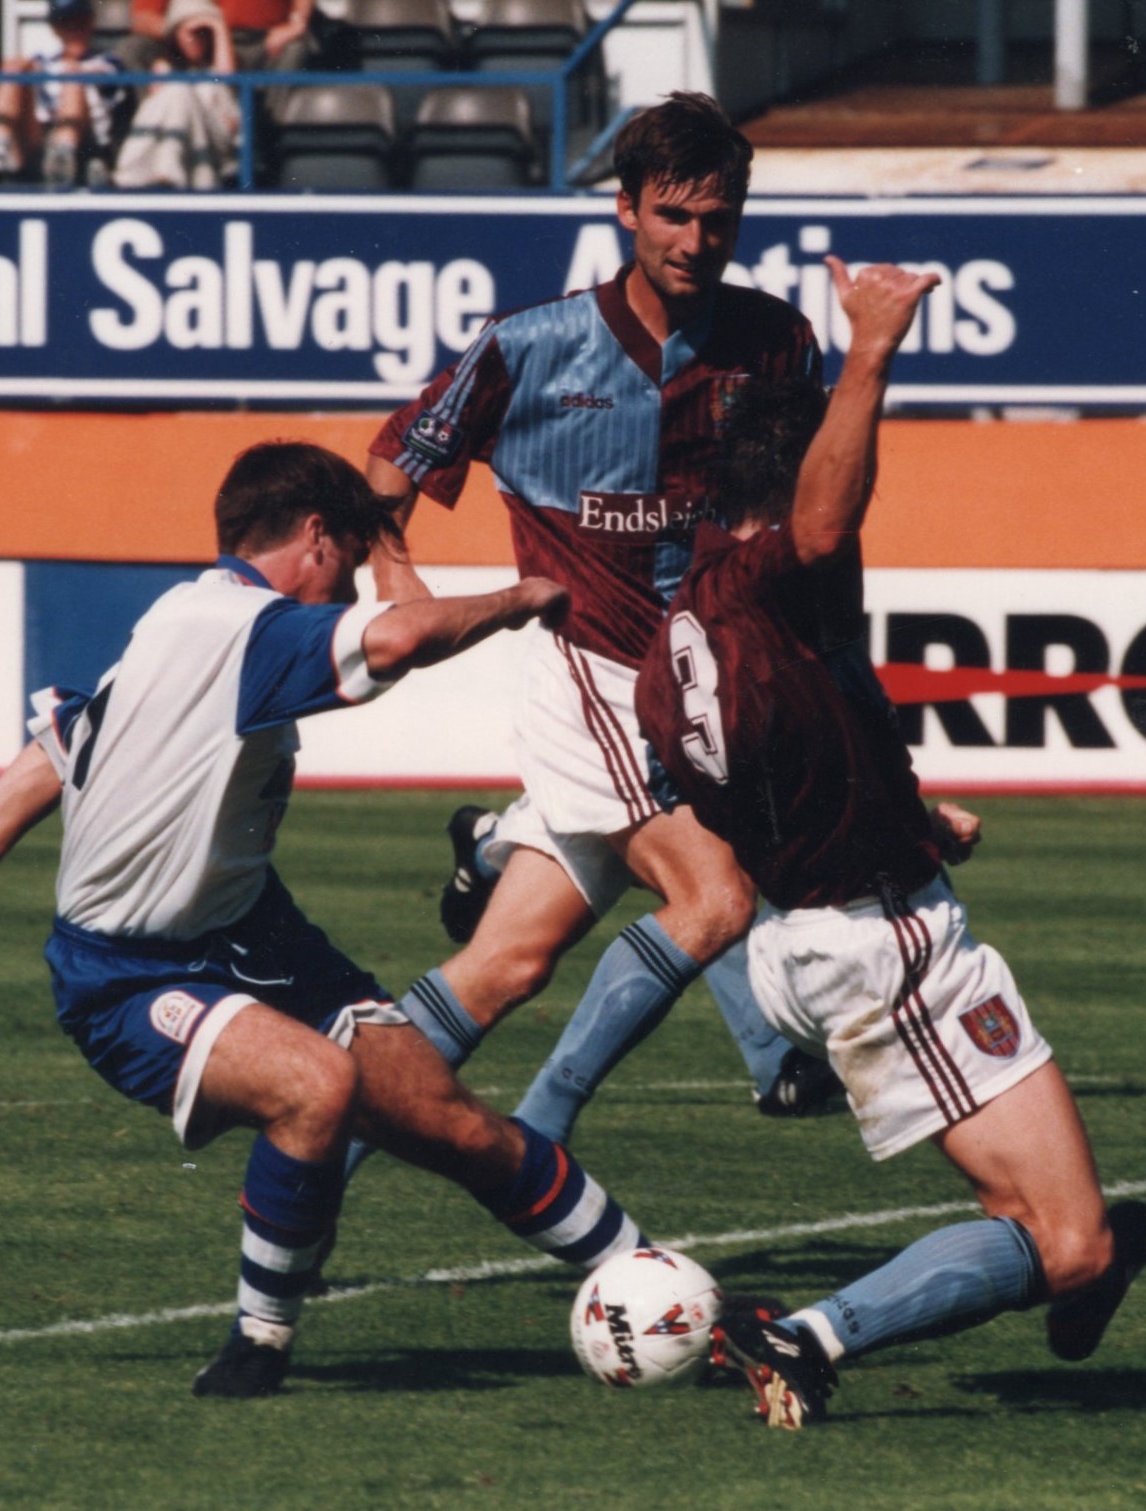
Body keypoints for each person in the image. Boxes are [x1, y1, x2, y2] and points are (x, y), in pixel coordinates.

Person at [0, 442, 648, 1399]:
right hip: (131, 972)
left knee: (451, 1123)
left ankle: (653, 1275)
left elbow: (59, 743)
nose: (344, 583)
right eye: (344, 558)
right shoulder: (250, 631)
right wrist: (522, 598)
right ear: (314, 538)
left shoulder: (183, 618)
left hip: (256, 936)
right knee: (315, 1086)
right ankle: (260, 1340)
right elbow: (396, 638)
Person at [633, 260, 1146, 1432]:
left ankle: (1070, 1279)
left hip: (825, 919)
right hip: (888, 939)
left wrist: (910, 817)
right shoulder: (777, 580)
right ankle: (805, 1335)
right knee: (1066, 1240)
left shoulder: (678, 633)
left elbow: (756, 772)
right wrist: (870, 348)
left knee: (1061, 1230)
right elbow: (825, 519)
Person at [361, 92, 838, 1146]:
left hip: (709, 667)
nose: (696, 241)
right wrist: (400, 578)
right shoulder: (530, 348)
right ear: (626, 210)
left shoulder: (779, 343)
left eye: (719, 219)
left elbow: (805, 514)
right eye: (673, 215)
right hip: (598, 671)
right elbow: (392, 462)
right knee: (716, 893)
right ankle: (546, 1131)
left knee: (508, 962)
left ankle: (322, 1136)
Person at [0, 0, 132, 191]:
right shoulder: (43, 60)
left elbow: (106, 83)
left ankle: (62, 159)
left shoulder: (108, 61)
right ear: (55, 28)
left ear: (91, 22)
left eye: (80, 21)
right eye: (66, 23)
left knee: (72, 75)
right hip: (39, 143)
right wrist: (31, 71)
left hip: (87, 147)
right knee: (13, 67)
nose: (74, 29)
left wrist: (70, 70)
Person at [111, 0, 242, 191]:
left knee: (179, 89)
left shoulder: (221, 67)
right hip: (181, 145)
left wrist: (217, 24)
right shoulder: (163, 68)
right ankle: (164, 171)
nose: (197, 40)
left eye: (204, 33)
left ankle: (130, 172)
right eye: (191, 33)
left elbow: (226, 80)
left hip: (216, 144)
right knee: (175, 89)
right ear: (176, 35)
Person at [129, 0, 313, 73]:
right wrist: (182, 30)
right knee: (134, 48)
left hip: (264, 41)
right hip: (201, 39)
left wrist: (297, 23)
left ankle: (267, 141)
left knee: (295, 48)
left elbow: (301, 11)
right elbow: (143, 17)